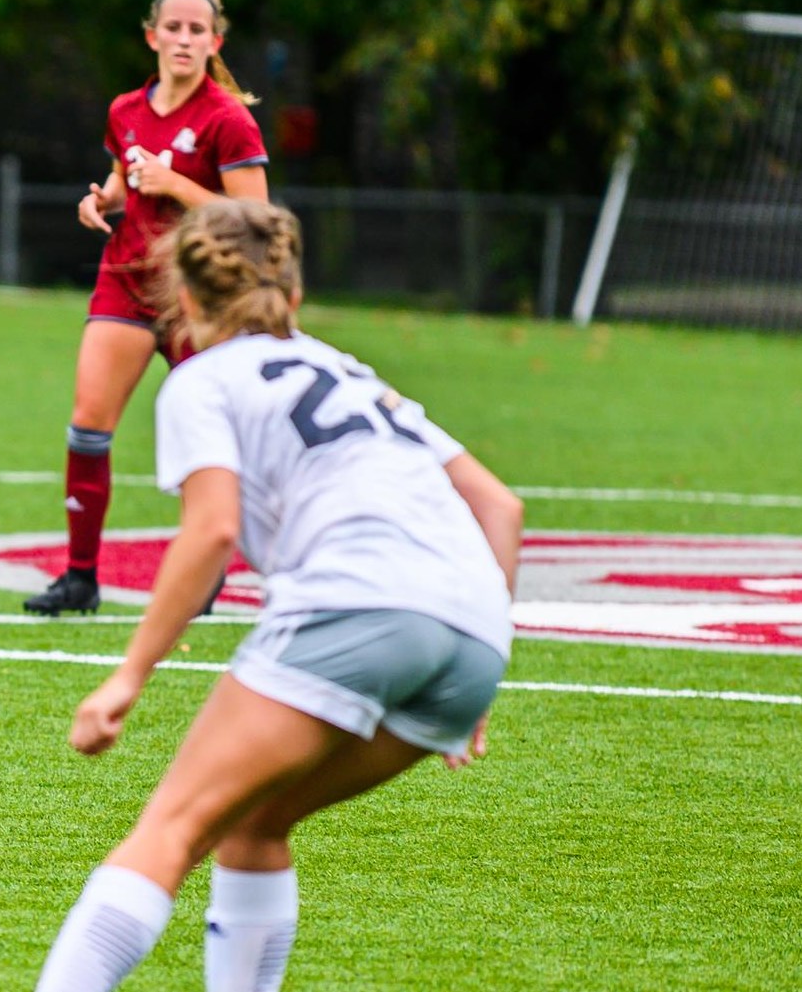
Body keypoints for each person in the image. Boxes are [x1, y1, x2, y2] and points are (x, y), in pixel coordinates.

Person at [34, 200, 523, 991]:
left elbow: (211, 531)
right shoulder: (350, 369)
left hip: (356, 604)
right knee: (257, 822)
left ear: (185, 303)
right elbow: (500, 506)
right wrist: (474, 673)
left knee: (168, 828)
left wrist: (128, 675)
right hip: (473, 637)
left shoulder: (202, 380)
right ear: (291, 299)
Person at [25, 0, 269, 617]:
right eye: (173, 27)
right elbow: (123, 179)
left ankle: (208, 571)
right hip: (127, 279)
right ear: (151, 35)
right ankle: (80, 576)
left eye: (197, 30)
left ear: (215, 42)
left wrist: (177, 184)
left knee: (206, 436)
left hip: (200, 294)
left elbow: (257, 217)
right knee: (87, 427)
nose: (184, 39)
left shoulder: (228, 119)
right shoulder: (126, 108)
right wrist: (101, 199)